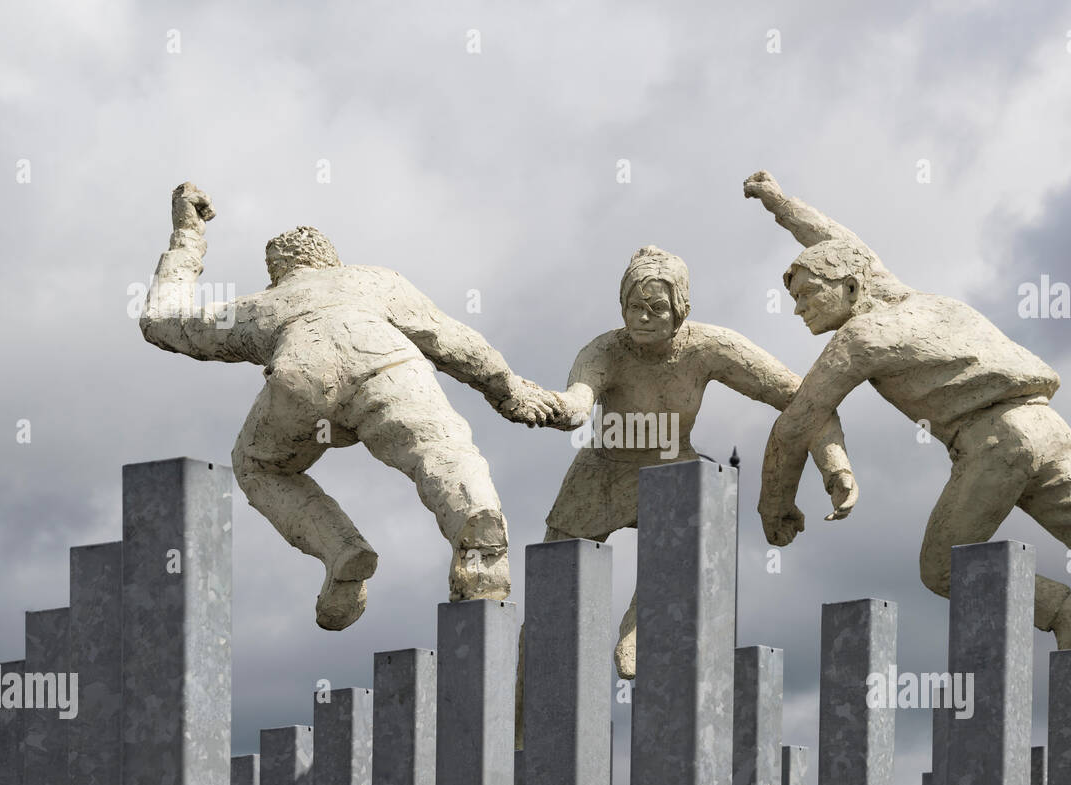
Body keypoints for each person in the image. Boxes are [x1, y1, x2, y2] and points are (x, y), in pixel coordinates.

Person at [746, 169, 1071, 655]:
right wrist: (779, 201)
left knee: (943, 567)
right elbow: (841, 243)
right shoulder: (902, 296)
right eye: (794, 298)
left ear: (852, 289)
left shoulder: (863, 336)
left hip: (996, 442)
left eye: (809, 294)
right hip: (1042, 425)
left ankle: (1063, 610)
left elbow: (797, 422)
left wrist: (775, 505)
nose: (799, 308)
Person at [140, 183, 569, 629]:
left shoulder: (263, 304)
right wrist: (510, 391)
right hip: (390, 364)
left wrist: (187, 235)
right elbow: (453, 340)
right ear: (333, 260)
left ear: (277, 273)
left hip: (301, 378)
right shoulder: (377, 281)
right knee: (442, 449)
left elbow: (163, 321)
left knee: (258, 466)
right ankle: (478, 537)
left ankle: (340, 549)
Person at [543, 244, 853, 680]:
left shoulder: (708, 347)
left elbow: (802, 398)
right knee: (553, 585)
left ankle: (639, 625)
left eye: (656, 307)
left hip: (672, 465)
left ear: (680, 310)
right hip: (605, 468)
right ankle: (528, 707)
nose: (642, 318)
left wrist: (834, 465)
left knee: (701, 505)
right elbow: (578, 399)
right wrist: (556, 407)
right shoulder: (605, 351)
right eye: (633, 307)